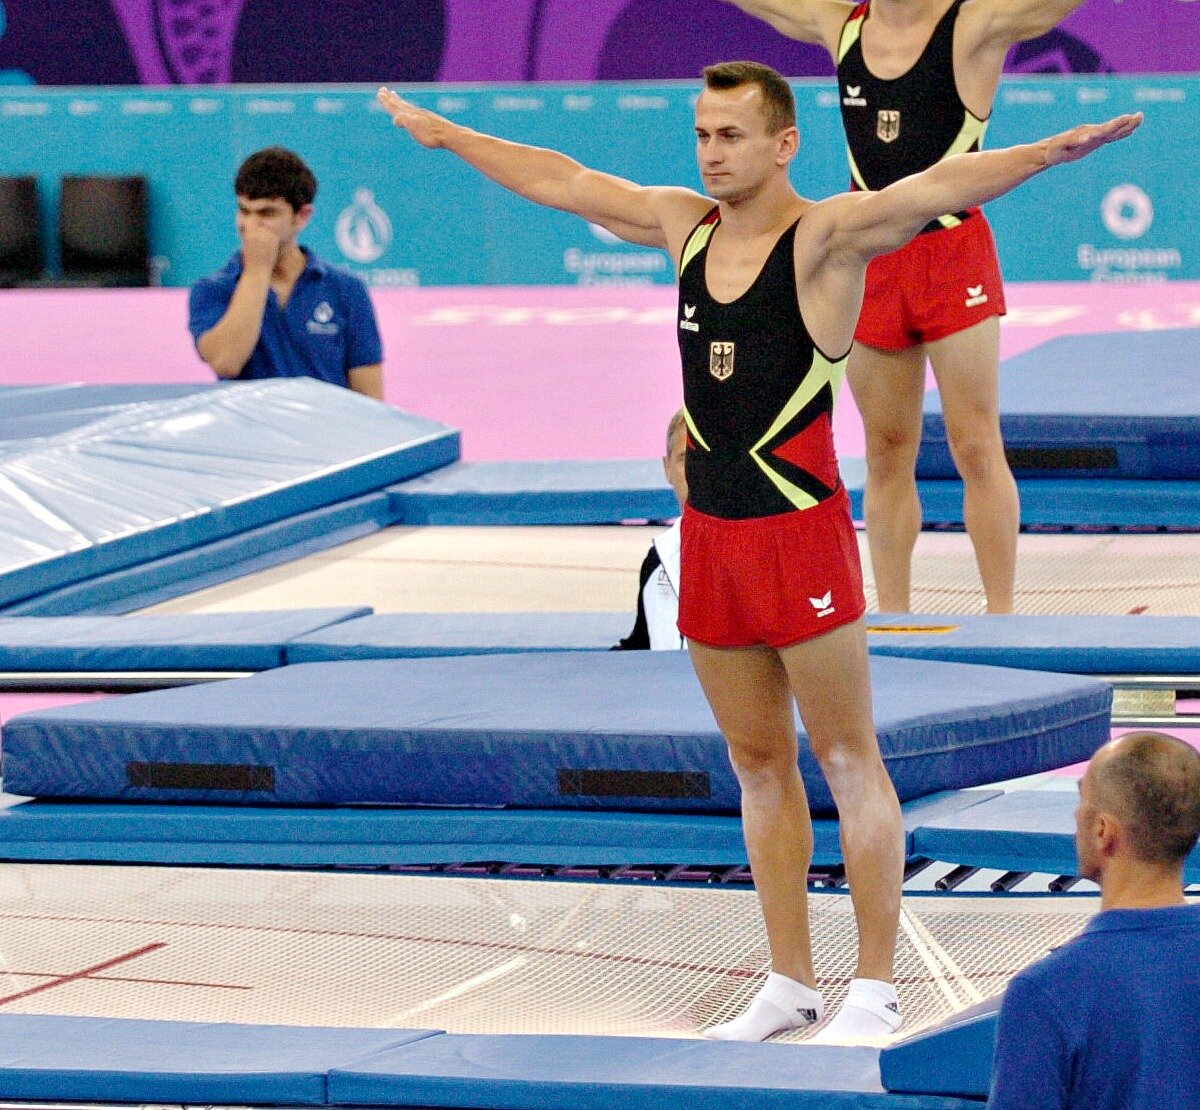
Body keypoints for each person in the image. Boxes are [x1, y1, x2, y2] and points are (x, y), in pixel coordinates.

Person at [379, 64, 1140, 1043]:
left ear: (784, 144)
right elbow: (561, 179)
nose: (711, 152)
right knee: (756, 763)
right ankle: (789, 979)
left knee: (848, 758)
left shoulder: (822, 238)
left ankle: (872, 985)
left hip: (800, 535)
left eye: (731, 134)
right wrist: (448, 134)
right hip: (713, 538)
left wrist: (1048, 152)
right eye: (702, 133)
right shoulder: (681, 225)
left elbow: (933, 190)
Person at [568, 0, 1200, 615]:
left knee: (974, 445)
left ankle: (1002, 613)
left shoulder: (973, 29)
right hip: (866, 261)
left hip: (951, 253)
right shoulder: (837, 24)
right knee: (887, 450)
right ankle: (894, 617)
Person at [988, 734, 1200, 1109]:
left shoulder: (1048, 991)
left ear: (1103, 830)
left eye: (1081, 801)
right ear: (1199, 824)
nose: (1076, 816)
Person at [189, 147, 384, 397]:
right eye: (244, 210)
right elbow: (226, 362)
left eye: (266, 213)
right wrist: (257, 272)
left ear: (301, 217)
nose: (250, 225)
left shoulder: (346, 290)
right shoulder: (212, 289)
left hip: (328, 432)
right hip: (248, 433)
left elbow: (371, 398)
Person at [614, 408, 688, 652]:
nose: (698, 474)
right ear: (667, 468)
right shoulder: (658, 558)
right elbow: (641, 647)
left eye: (709, 461)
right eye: (686, 459)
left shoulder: (762, 560)